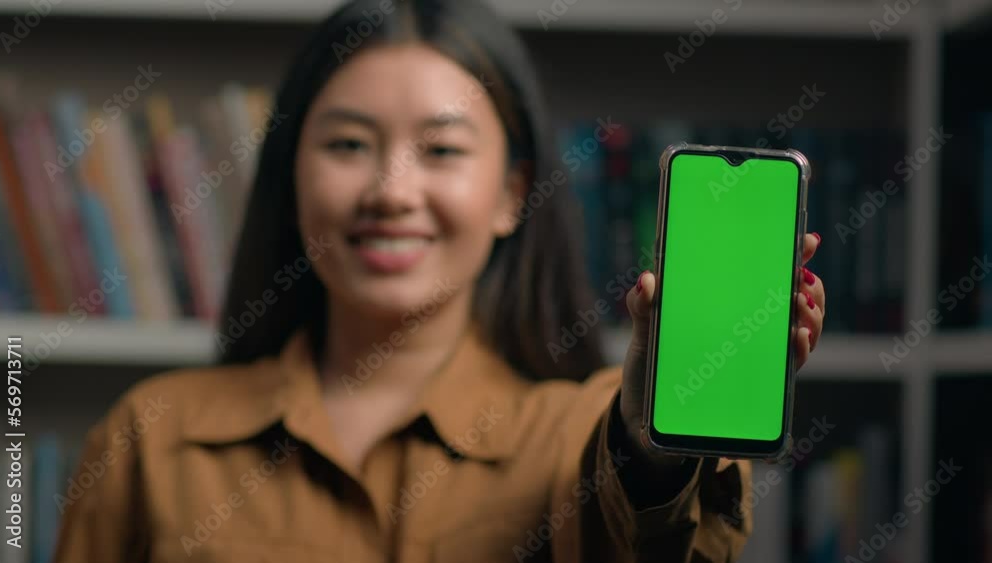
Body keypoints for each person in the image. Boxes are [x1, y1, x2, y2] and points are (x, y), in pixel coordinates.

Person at [52, 0, 826, 561]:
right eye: (349, 144)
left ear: (511, 194)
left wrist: (654, 441)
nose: (391, 190)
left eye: (443, 150)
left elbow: (654, 537)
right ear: (291, 180)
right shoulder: (147, 442)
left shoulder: (583, 433)